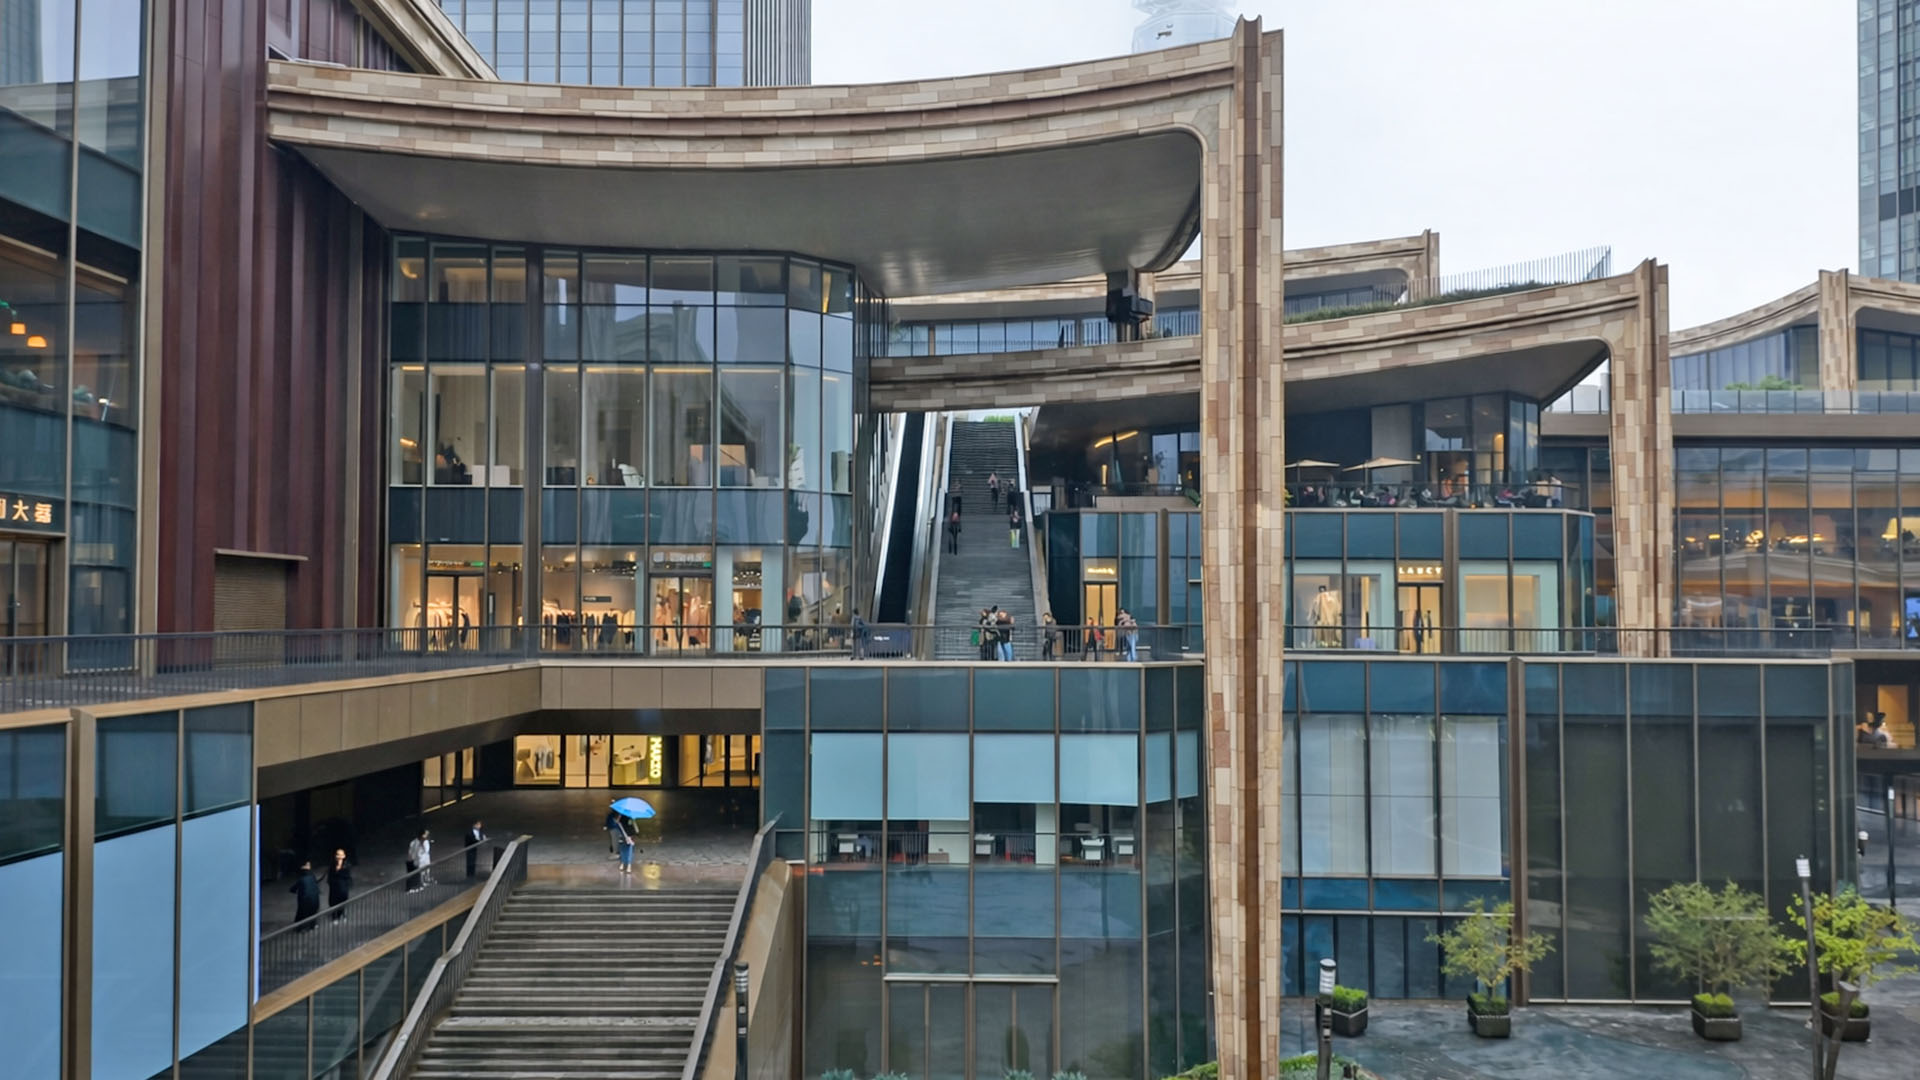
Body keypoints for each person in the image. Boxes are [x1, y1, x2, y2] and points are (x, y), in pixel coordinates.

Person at [290, 860, 321, 930]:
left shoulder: (301, 879)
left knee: (302, 912)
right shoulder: (312, 877)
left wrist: (296, 891)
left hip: (305, 900)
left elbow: (292, 889)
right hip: (315, 899)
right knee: (313, 911)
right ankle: (313, 925)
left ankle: (301, 927)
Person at [326, 848, 352, 921]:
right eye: (338, 855)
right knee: (334, 902)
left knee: (342, 901)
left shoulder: (346, 865)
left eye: (341, 855)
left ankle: (341, 914)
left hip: (342, 887)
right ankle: (335, 916)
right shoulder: (332, 864)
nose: (339, 857)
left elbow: (346, 875)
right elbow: (330, 875)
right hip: (334, 887)